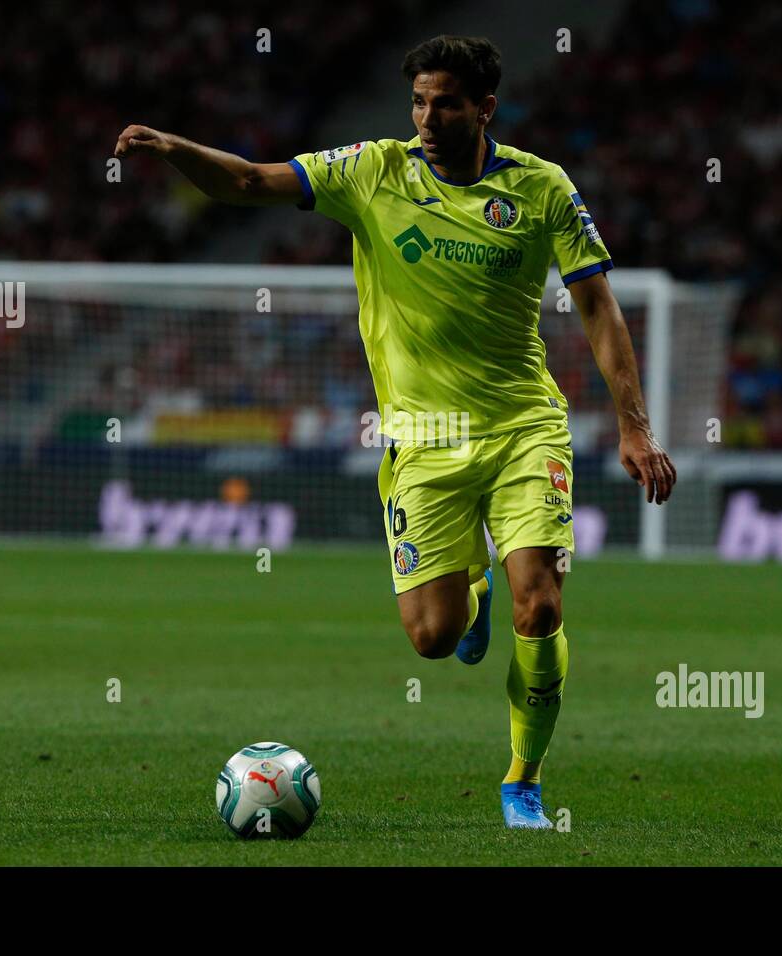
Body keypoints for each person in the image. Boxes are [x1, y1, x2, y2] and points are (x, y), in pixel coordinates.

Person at [115, 34, 676, 829]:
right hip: (422, 439)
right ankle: (472, 597)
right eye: (417, 100)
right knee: (431, 639)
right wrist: (174, 147)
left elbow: (596, 304)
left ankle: (523, 781)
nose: (425, 117)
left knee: (541, 609)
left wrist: (634, 426)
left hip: (524, 427)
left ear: (484, 108)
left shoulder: (542, 189)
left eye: (444, 102)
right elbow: (247, 180)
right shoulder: (372, 171)